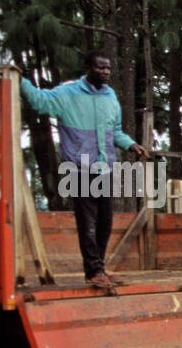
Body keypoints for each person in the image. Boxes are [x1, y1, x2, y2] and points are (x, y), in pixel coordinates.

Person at [20, 50, 149, 288]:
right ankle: (92, 271)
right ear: (87, 68)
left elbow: (116, 131)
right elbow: (39, 101)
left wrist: (132, 144)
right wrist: (20, 80)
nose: (106, 72)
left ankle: (98, 268)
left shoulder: (110, 97)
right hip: (78, 168)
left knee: (104, 222)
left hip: (105, 169)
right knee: (87, 222)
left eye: (108, 68)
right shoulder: (67, 93)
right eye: (100, 68)